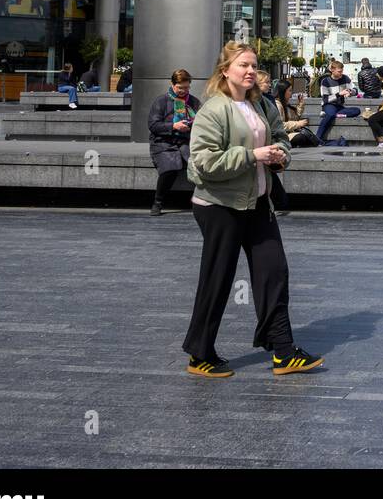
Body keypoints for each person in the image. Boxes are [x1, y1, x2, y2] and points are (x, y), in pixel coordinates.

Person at [183, 41, 321, 378]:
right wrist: (251, 156)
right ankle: (200, 353)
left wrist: (279, 155)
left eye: (254, 65)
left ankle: (283, 351)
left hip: (258, 202)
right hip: (219, 206)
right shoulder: (214, 109)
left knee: (274, 272)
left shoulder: (261, 105)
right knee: (218, 278)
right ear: (225, 70)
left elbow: (280, 137)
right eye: (243, 65)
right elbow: (201, 162)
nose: (250, 71)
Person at [147, 69, 200, 216]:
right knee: (170, 167)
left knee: (199, 163)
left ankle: (202, 201)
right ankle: (158, 202)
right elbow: (153, 125)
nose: (184, 91)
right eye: (180, 87)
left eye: (187, 87)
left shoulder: (194, 102)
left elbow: (202, 123)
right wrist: (173, 126)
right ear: (172, 84)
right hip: (163, 142)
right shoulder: (161, 101)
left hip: (185, 141)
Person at [317, 60, 361, 141]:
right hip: (328, 105)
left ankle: (335, 115)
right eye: (339, 71)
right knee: (330, 114)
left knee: (357, 111)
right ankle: (317, 137)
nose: (341, 73)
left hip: (339, 106)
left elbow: (355, 90)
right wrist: (339, 94)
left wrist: (350, 92)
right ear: (332, 70)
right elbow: (325, 99)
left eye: (342, 71)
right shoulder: (325, 81)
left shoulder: (345, 78)